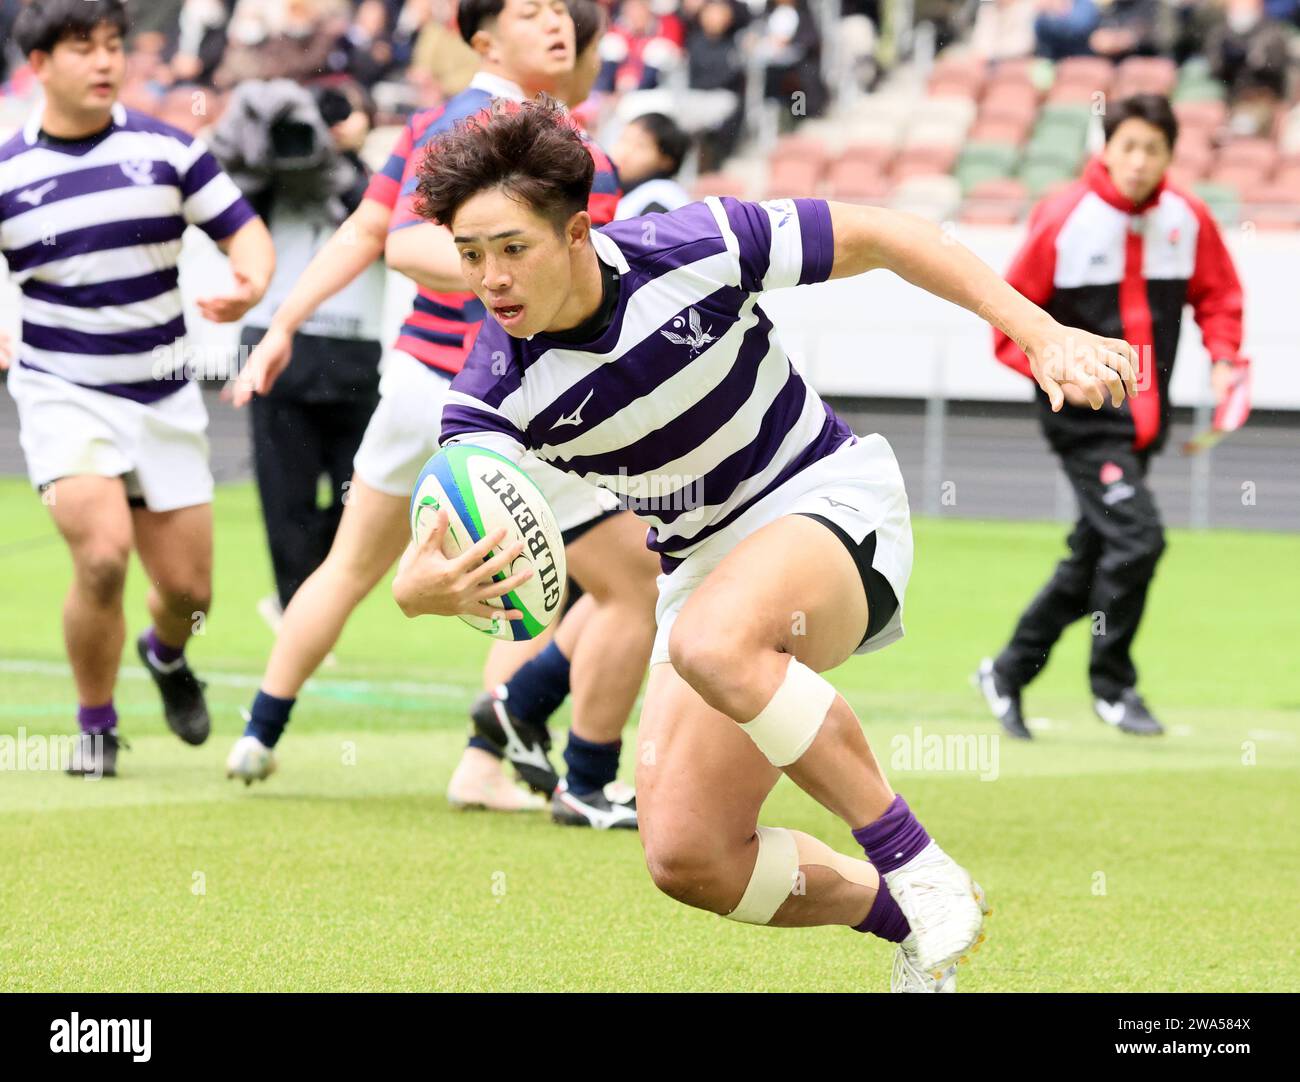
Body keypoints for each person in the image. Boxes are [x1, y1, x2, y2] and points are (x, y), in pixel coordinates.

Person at [393, 97, 1135, 990]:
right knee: (690, 857)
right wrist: (419, 588)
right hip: (703, 567)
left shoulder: (695, 244)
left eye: (513, 248)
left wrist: (1041, 334)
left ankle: (917, 863)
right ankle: (918, 922)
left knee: (713, 641)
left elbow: (892, 235)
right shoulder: (493, 391)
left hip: (828, 497)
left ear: (578, 234)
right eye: (471, 256)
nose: (492, 278)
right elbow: (445, 525)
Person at [225, 0, 661, 831]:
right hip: (506, 401)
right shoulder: (567, 153)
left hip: (416, 384)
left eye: (562, 11)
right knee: (596, 576)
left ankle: (261, 728)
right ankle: (567, 770)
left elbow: (370, 229)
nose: (557, 22)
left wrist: (283, 323)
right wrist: (497, 268)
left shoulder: (436, 123)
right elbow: (404, 245)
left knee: (354, 566)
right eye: (530, 11)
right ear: (482, 35)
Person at [0, 0, 273, 777]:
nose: (104, 61)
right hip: (61, 389)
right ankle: (96, 727)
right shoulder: (9, 170)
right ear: (40, 64)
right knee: (103, 559)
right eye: (82, 48)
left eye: (113, 46)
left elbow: (241, 230)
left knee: (190, 595)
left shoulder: (169, 151)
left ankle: (166, 654)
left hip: (161, 393)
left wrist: (250, 283)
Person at [978, 95, 1247, 739]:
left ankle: (1007, 671)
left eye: (1153, 149)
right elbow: (1006, 322)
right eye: (1127, 145)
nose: (1138, 161)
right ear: (1106, 146)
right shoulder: (1063, 217)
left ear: (1169, 155)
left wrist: (1224, 358)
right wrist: (1063, 378)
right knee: (1139, 538)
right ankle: (1113, 684)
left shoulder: (1189, 218)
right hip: (1084, 421)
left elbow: (1219, 296)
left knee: (1094, 555)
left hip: (1147, 422)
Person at [212, 80, 386, 620]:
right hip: (275, 347)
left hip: (354, 350)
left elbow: (378, 215)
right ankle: (294, 611)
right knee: (284, 496)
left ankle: (309, 597)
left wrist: (344, 155)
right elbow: (230, 199)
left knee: (356, 496)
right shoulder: (271, 180)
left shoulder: (378, 183)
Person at [612, 111, 691, 219]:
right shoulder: (624, 190)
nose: (625, 152)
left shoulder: (662, 196)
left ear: (667, 160)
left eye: (641, 146)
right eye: (624, 140)